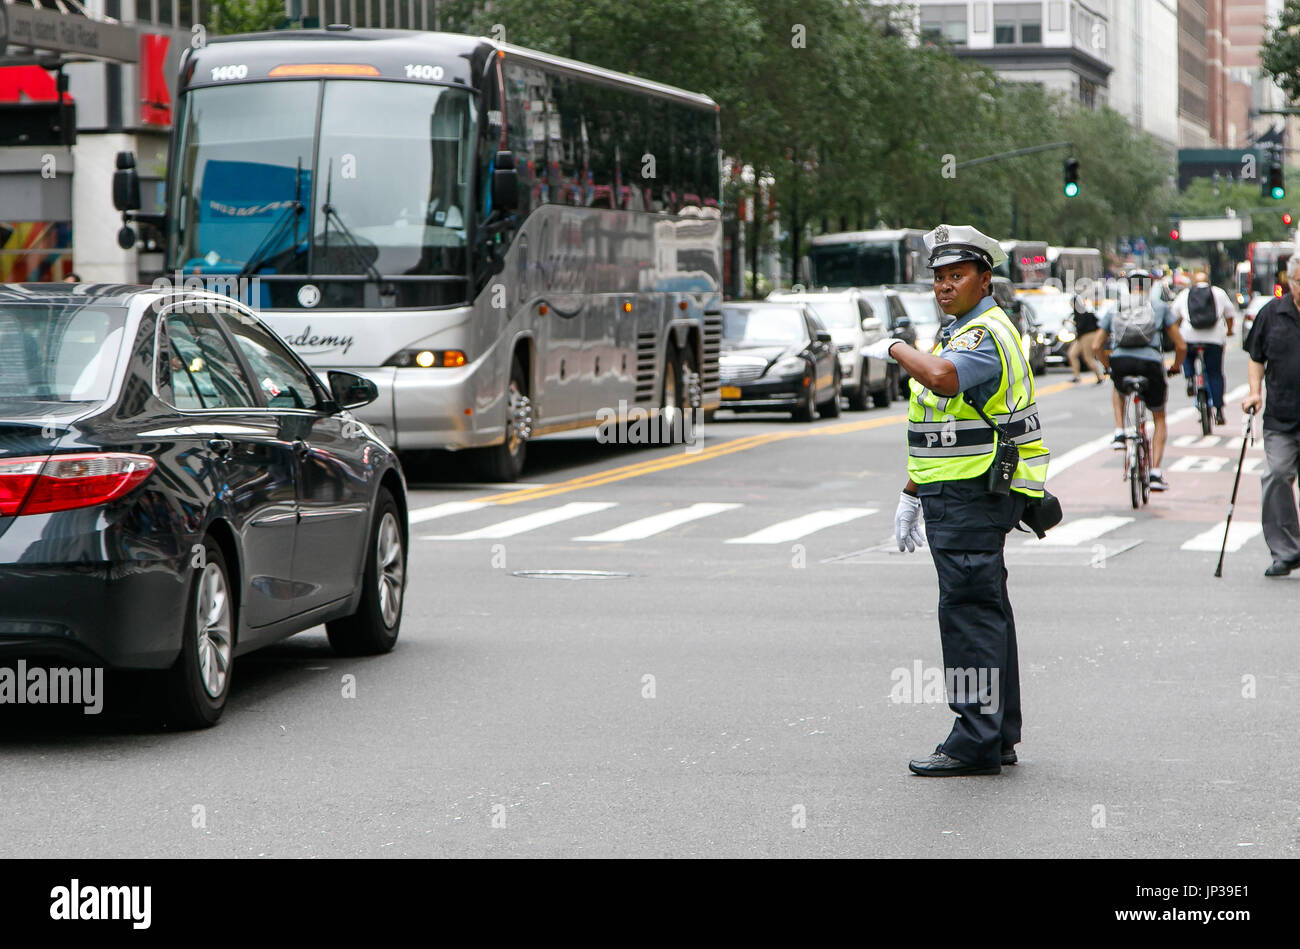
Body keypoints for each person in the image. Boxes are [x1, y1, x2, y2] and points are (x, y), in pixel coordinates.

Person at [864, 224, 1050, 777]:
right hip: (962, 490)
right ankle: (999, 733)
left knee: (969, 617)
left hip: (971, 498)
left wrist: (896, 347)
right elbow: (949, 426)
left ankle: (974, 739)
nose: (945, 286)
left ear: (984, 278)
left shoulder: (980, 335)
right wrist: (912, 491)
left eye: (957, 275)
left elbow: (944, 381)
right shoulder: (964, 329)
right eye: (939, 277)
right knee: (988, 613)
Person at [1095, 270, 1185, 491]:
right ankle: (1154, 472)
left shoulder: (1116, 306)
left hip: (1121, 361)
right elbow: (1181, 345)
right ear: (1150, 284)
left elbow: (1096, 346)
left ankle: (1119, 431)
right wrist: (1175, 366)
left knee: (1118, 387)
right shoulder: (1160, 306)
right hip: (1151, 363)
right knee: (1159, 418)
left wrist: (1108, 368)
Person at [1243, 254, 1300, 576]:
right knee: (1277, 475)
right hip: (1281, 416)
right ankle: (1286, 551)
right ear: (1289, 282)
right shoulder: (1272, 313)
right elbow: (1256, 357)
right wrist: (1254, 392)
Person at [1172, 270, 1237, 426]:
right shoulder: (1218, 293)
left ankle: (1189, 377)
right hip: (1213, 340)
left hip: (1190, 338)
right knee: (1215, 373)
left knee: (1185, 354)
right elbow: (1230, 315)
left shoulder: (1185, 294)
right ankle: (1219, 411)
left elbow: (1174, 317)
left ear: (1193, 282)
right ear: (1208, 281)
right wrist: (1228, 331)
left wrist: (1177, 332)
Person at [1067, 293, 1104, 384]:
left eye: (1072, 303)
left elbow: (1081, 326)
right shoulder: (1077, 312)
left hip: (1087, 336)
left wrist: (1072, 323)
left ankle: (1100, 376)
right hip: (1081, 337)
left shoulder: (1081, 312)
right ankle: (1076, 376)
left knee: (1088, 357)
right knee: (1072, 354)